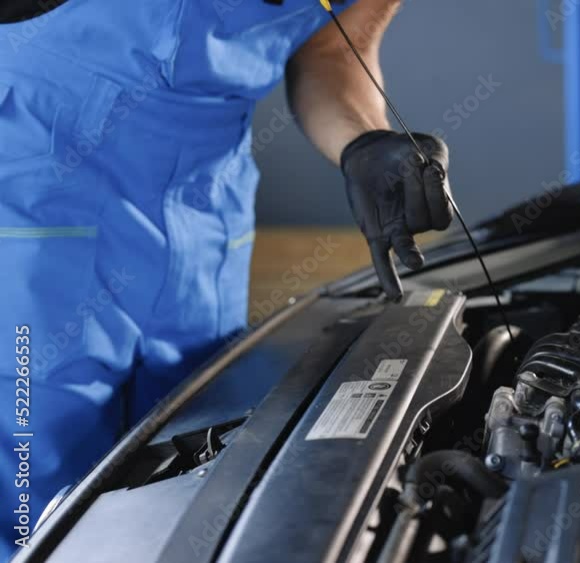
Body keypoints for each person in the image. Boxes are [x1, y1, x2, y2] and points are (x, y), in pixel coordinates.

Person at [0, 0, 450, 557]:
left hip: (202, 222)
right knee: (31, 500)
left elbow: (332, 48)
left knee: (189, 476)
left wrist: (363, 142)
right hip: (35, 202)